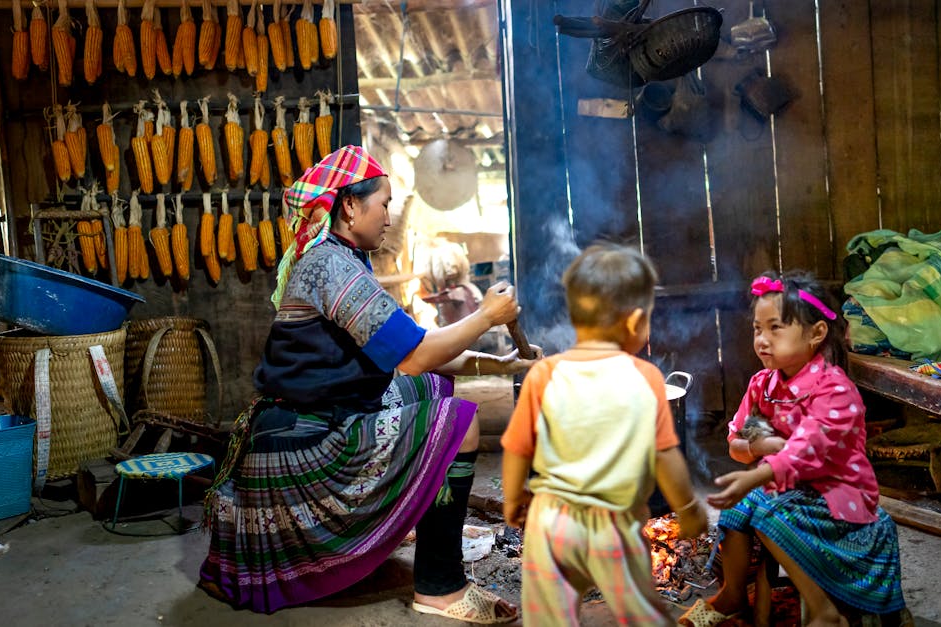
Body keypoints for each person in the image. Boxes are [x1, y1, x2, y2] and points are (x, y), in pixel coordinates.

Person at [199, 145, 539, 621]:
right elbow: (418, 355)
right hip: (303, 442)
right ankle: (441, 587)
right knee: (462, 422)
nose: (388, 215)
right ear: (350, 206)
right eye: (383, 203)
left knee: (434, 388)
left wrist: (498, 364)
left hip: (316, 417)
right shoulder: (330, 267)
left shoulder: (341, 258)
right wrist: (485, 315)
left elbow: (414, 348)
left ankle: (404, 510)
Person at [679, 271, 907, 627]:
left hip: (835, 494)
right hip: (787, 489)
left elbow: (806, 449)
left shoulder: (833, 391)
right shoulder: (764, 387)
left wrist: (759, 468)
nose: (762, 340)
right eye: (758, 329)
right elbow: (739, 443)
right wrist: (761, 445)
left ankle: (823, 610)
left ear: (816, 334)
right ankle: (733, 594)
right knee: (741, 507)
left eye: (776, 328)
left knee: (764, 508)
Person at [501, 243, 707, 627]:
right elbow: (666, 458)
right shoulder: (645, 378)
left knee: (550, 619)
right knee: (643, 615)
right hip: (614, 526)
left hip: (550, 525)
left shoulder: (543, 374)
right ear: (633, 323)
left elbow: (516, 449)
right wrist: (689, 510)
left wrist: (513, 500)